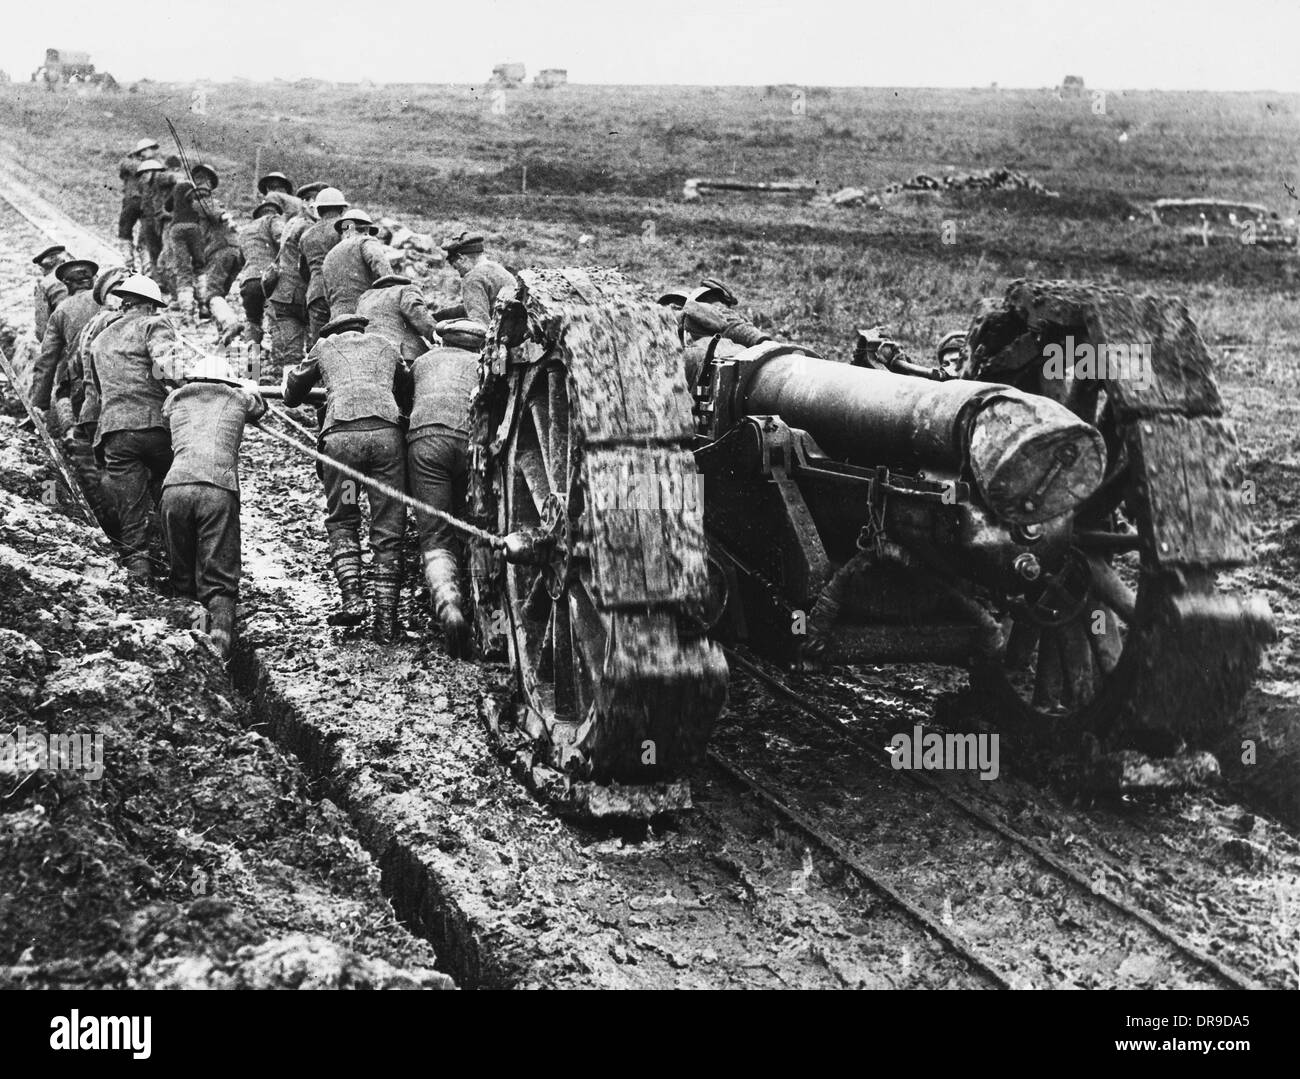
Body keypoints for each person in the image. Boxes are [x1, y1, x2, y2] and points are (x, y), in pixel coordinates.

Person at [282, 314, 410, 642]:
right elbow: (406, 390)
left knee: (345, 518)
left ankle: (353, 598)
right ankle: (386, 621)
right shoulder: (385, 344)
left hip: (345, 446)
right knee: (388, 525)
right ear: (362, 329)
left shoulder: (324, 347)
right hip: (386, 442)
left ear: (334, 332)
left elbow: (293, 395)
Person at [159, 354, 266, 659]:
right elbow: (260, 406)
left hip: (175, 489)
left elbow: (167, 409)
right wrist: (249, 385)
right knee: (219, 581)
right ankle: (218, 652)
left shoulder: (175, 399)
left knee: (183, 578)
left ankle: (192, 645)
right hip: (217, 490)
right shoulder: (237, 399)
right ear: (228, 381)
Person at [86, 274, 181, 579]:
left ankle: (140, 572)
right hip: (154, 427)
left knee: (131, 507)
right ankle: (182, 570)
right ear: (150, 306)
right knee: (173, 494)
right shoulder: (154, 324)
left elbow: (97, 391)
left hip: (114, 433)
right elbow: (169, 368)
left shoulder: (99, 339)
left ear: (125, 304)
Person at [403, 319, 482, 657]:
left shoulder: (423, 362)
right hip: (470, 444)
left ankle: (449, 606)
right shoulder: (483, 365)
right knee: (472, 526)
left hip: (426, 443)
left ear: (442, 340)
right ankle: (484, 609)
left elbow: (405, 403)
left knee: (435, 534)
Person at [265, 182, 325, 369]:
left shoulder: (291, 223)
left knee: (288, 349)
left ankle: (275, 384)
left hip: (280, 292)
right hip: (298, 294)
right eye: (314, 204)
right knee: (305, 350)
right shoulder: (308, 228)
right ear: (305, 203)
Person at [32, 258, 99, 416]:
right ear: (92, 281)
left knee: (63, 392)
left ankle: (70, 433)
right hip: (116, 375)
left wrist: (39, 404)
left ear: (67, 285)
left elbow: (47, 360)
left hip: (82, 382)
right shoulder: (110, 302)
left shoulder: (60, 312)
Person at [165, 162, 221, 321]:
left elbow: (167, 206)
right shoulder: (205, 193)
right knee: (199, 266)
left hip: (176, 228)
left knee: (183, 268)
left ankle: (187, 312)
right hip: (196, 229)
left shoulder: (180, 186)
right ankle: (203, 305)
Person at [234, 201, 284, 374]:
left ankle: (252, 363)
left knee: (253, 320)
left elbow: (240, 260)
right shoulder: (273, 219)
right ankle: (279, 365)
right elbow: (281, 237)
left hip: (249, 279)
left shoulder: (245, 231)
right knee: (278, 318)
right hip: (270, 277)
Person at [298, 187, 348, 348]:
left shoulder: (306, 235)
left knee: (320, 347)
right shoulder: (345, 229)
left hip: (316, 293)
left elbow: (303, 272)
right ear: (341, 209)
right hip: (341, 292)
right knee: (346, 344)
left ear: (318, 210)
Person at [321, 210, 392, 318]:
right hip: (365, 315)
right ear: (366, 230)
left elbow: (327, 297)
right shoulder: (365, 241)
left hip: (338, 320)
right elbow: (384, 271)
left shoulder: (328, 257)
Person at [356, 273, 438, 363]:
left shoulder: (365, 298)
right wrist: (435, 333)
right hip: (404, 354)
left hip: (367, 355)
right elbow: (414, 311)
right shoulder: (406, 289)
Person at [441, 232, 516, 326]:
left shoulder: (472, 278)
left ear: (461, 258)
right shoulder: (499, 270)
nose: (460, 275)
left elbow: (479, 325)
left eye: (457, 268)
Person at [117, 137, 160, 270]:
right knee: (128, 233)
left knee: (140, 235)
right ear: (142, 151)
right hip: (139, 203)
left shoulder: (128, 163)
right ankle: (135, 265)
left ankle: (137, 266)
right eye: (150, 149)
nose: (154, 152)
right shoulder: (149, 165)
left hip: (140, 203)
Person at [135, 159, 169, 280]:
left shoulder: (162, 184)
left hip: (160, 222)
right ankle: (156, 279)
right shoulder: (145, 187)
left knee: (162, 251)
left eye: (145, 173)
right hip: (149, 223)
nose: (143, 177)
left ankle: (161, 278)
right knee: (151, 250)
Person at [32, 244, 72, 342]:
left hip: (65, 344)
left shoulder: (44, 285)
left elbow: (42, 332)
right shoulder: (86, 275)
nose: (40, 269)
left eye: (41, 266)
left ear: (51, 262)